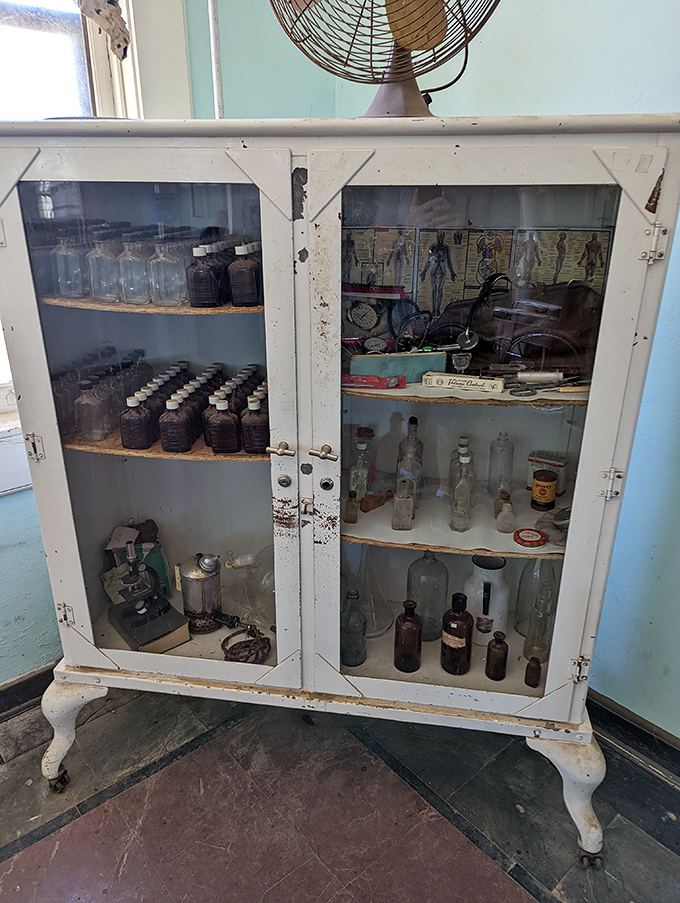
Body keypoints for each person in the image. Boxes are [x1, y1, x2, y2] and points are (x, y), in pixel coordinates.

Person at [420, 231, 456, 316]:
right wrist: (424, 272)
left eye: (441, 237)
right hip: (434, 270)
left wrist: (452, 273)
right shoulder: (433, 247)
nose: (440, 239)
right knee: (434, 290)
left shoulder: (446, 248)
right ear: (437, 237)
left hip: (442, 271)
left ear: (443, 238)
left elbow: (449, 261)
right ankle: (433, 309)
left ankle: (438, 309)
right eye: (439, 237)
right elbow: (429, 261)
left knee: (439, 290)